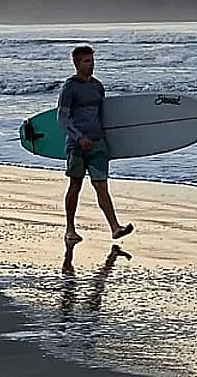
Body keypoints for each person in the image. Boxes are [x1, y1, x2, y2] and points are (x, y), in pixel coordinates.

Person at [57, 45, 133, 243]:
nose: (91, 65)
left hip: (98, 143)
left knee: (101, 186)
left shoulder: (97, 86)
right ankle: (70, 229)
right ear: (76, 63)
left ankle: (115, 228)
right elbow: (62, 118)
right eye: (86, 61)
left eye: (92, 61)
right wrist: (79, 137)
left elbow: (104, 116)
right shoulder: (69, 87)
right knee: (75, 185)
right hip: (77, 146)